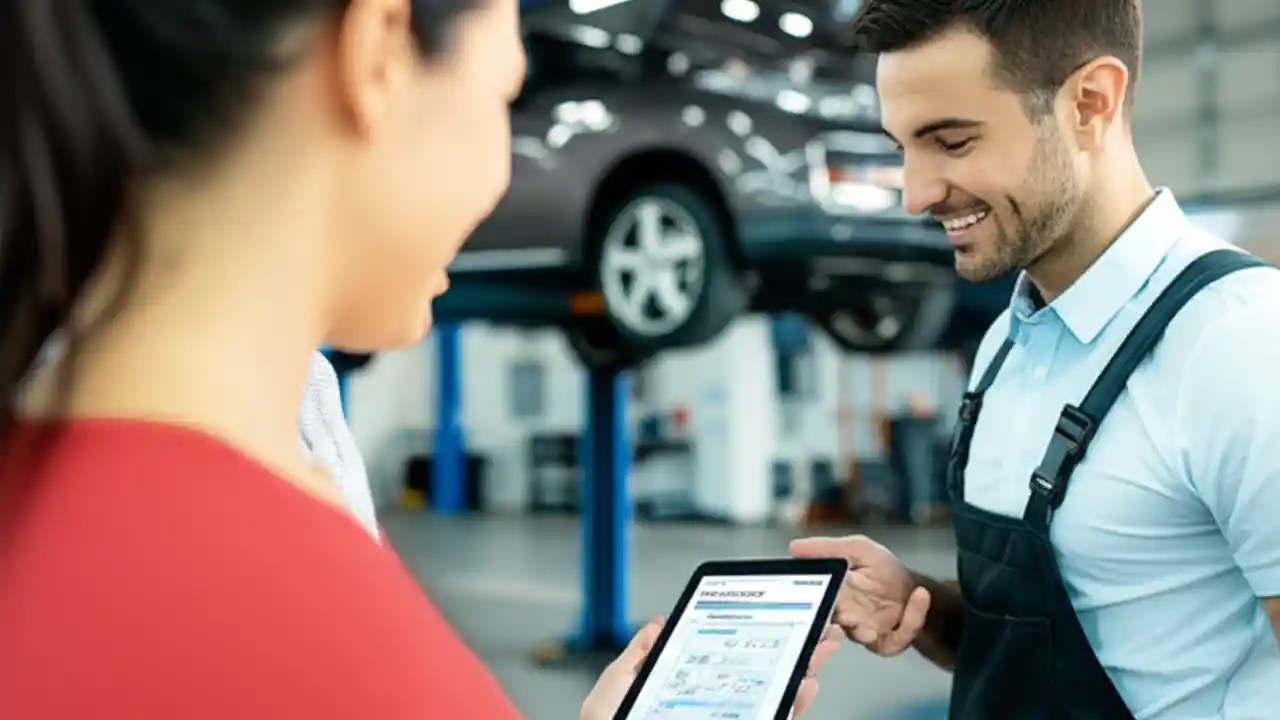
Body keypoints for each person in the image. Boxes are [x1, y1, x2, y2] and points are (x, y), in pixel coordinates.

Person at [0, 1, 846, 718]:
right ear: (378, 53)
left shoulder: (103, 492)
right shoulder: (318, 641)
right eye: (505, 94)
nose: (500, 168)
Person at [791, 1, 1280, 719]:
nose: (916, 193)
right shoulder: (1007, 344)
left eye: (952, 142)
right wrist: (926, 610)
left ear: (1090, 103)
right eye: (903, 148)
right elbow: (1064, 640)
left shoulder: (1240, 345)